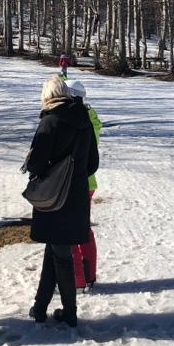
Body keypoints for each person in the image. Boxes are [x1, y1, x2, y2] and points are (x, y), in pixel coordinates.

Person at [25, 76, 99, 328]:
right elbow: (93, 164)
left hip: (54, 196)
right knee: (55, 250)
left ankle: (70, 312)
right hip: (76, 194)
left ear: (47, 97)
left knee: (62, 256)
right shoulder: (84, 121)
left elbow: (35, 164)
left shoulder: (50, 122)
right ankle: (40, 307)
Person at [64, 79, 102, 292]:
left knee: (69, 231)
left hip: (72, 180)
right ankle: (89, 276)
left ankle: (76, 279)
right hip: (89, 179)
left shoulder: (73, 119)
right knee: (84, 230)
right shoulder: (91, 118)